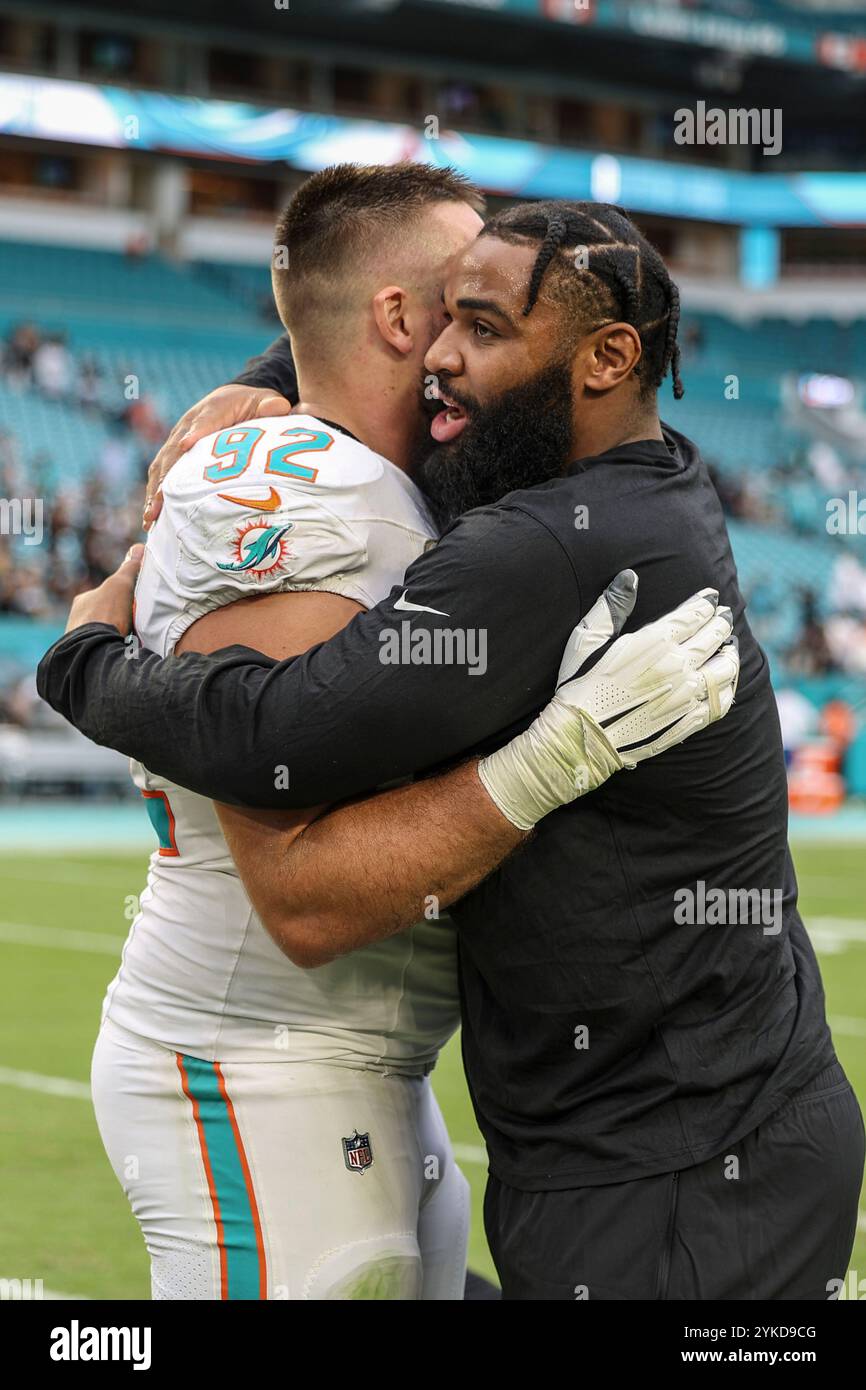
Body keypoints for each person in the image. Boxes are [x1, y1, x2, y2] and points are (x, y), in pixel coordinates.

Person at [40, 198, 857, 1302]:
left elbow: (273, 730)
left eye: (476, 329)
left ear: (604, 357)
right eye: (433, 321)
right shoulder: (625, 465)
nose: (438, 358)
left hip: (667, 1161)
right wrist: (281, 371)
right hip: (692, 1124)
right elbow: (368, 321)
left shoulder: (538, 548)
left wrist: (87, 655)